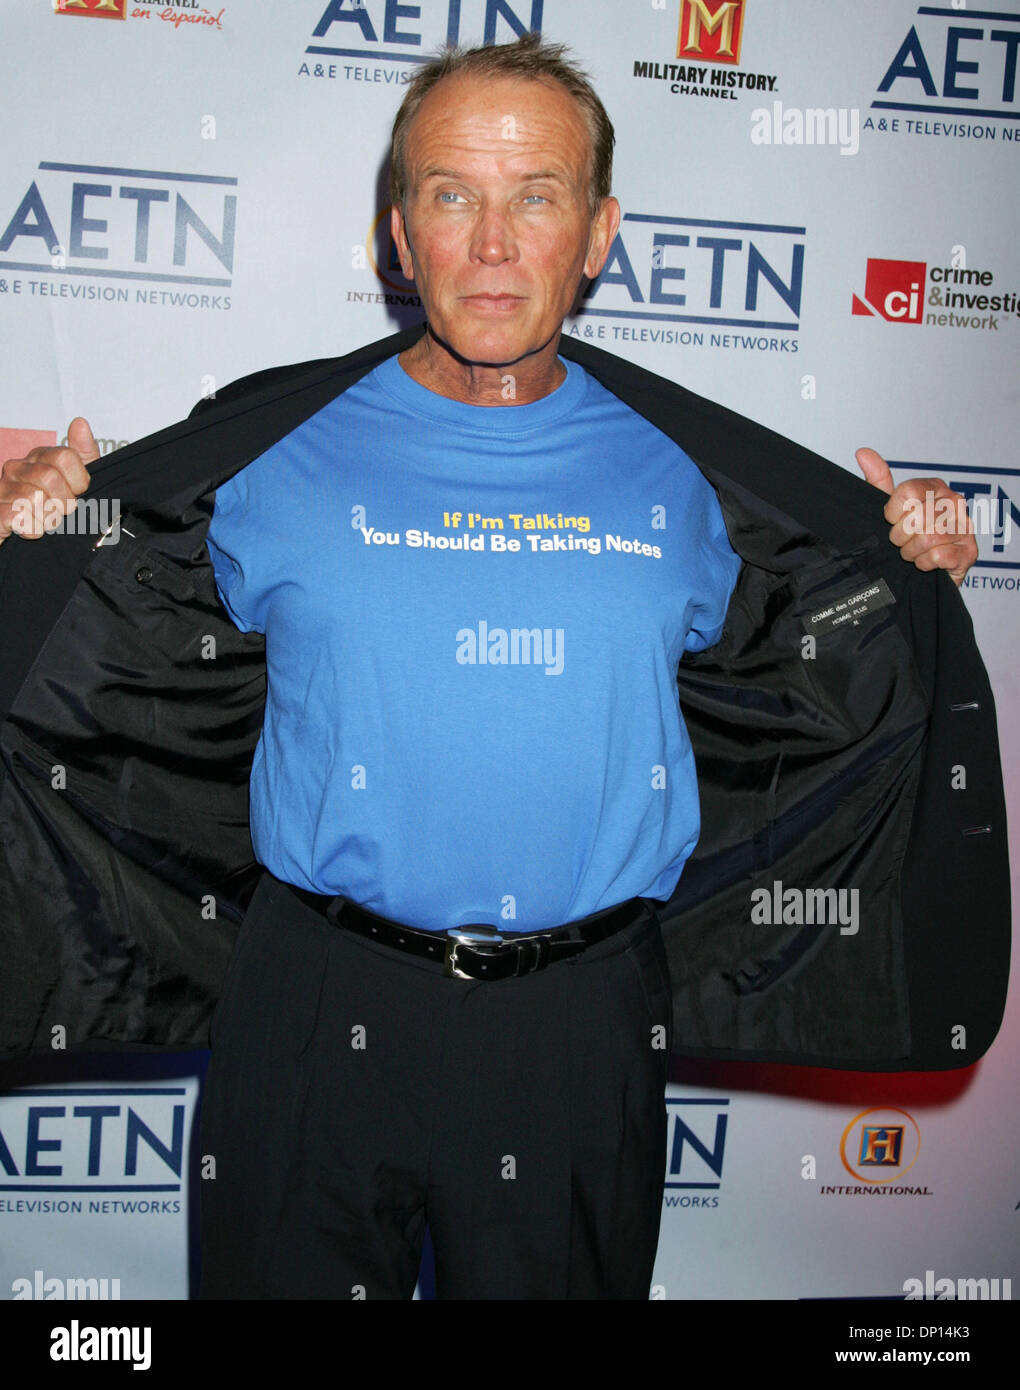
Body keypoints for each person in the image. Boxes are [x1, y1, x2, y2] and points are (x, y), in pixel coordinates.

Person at [0, 35, 1006, 1302]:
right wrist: (31, 526)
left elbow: (822, 662)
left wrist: (908, 562)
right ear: (397, 234)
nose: (491, 243)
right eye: (452, 194)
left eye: (536, 195)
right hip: (315, 1003)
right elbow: (101, 640)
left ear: (599, 233)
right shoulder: (265, 447)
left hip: (575, 1029)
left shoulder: (699, 475)